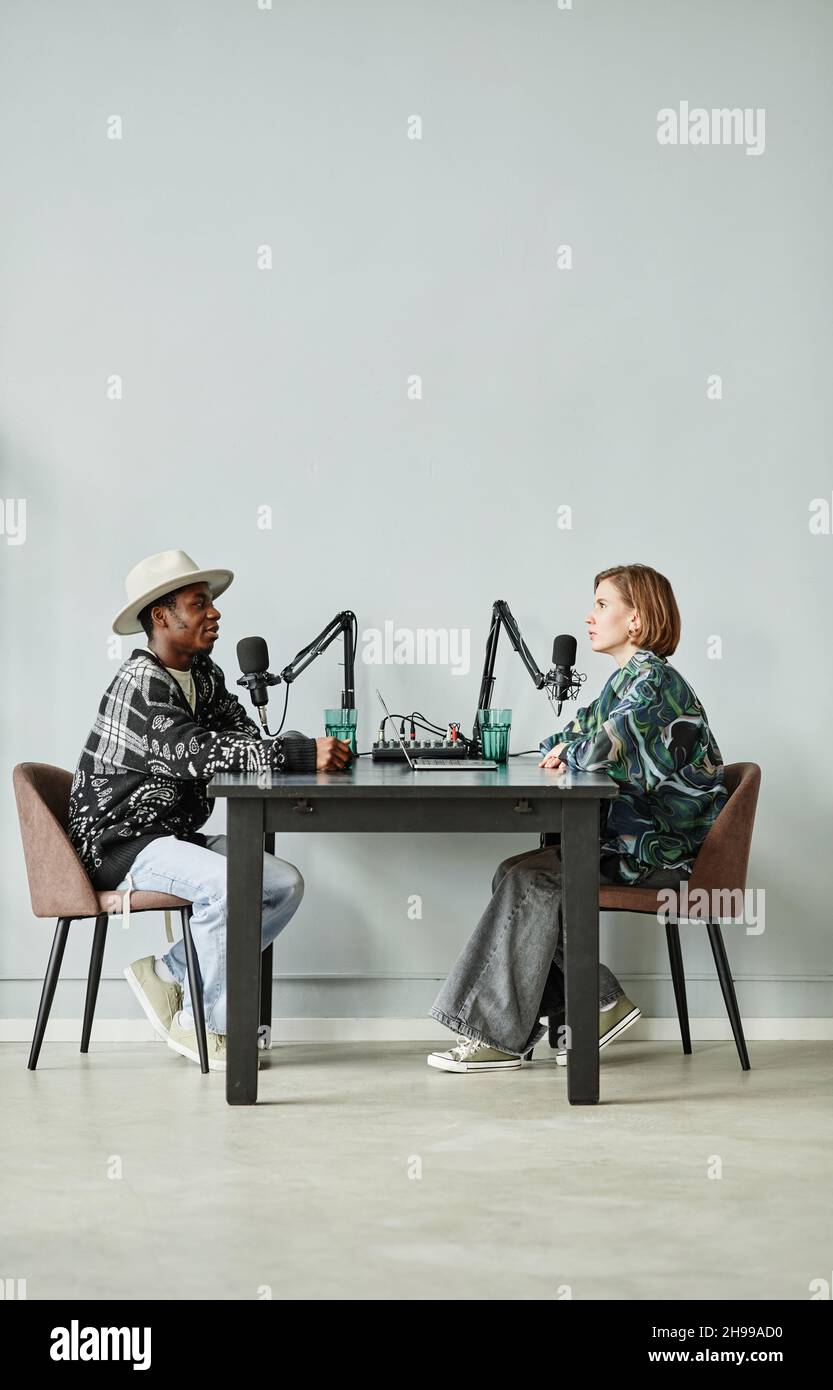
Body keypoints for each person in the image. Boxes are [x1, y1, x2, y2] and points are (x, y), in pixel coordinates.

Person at [427, 563, 729, 1073]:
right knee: (515, 873)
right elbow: (563, 739)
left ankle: (503, 1035)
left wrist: (574, 750)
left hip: (658, 850)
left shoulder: (653, 682)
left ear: (635, 620)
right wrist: (566, 747)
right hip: (630, 839)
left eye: (602, 605)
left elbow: (592, 750)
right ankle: (596, 1003)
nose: (589, 617)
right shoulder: (624, 683)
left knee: (531, 879)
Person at [67, 548, 352, 1071]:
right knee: (229, 885)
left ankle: (172, 974)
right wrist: (298, 751)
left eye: (211, 604)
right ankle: (211, 1028)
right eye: (199, 604)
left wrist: (281, 749)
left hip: (170, 837)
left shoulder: (203, 674)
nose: (214, 613)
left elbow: (239, 738)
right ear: (160, 615)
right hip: (122, 843)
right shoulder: (140, 684)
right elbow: (195, 753)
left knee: (282, 883)